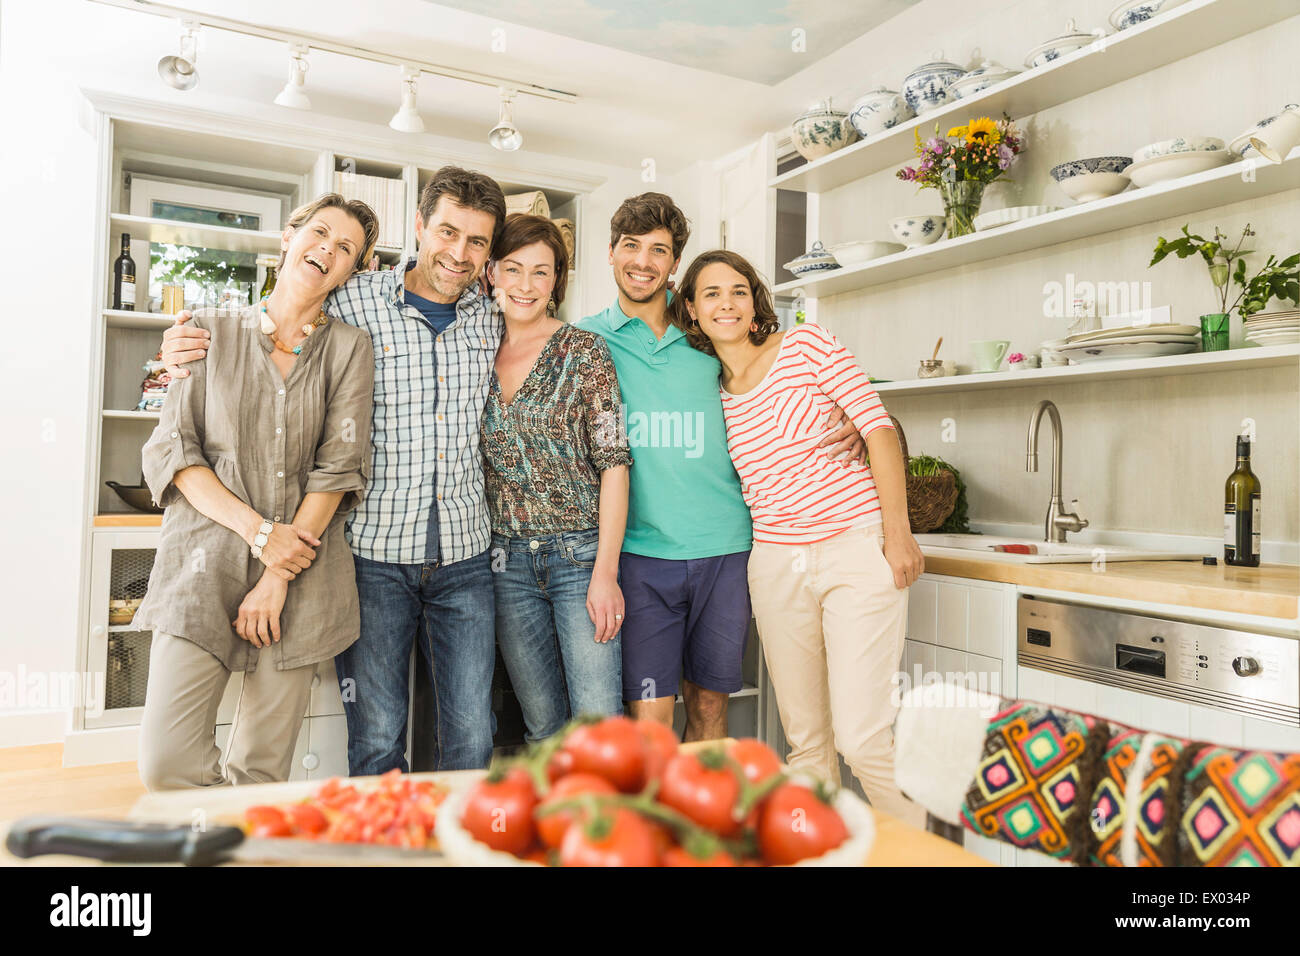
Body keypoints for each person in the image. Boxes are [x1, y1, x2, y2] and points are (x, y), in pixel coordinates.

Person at [161, 167, 508, 774]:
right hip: (373, 555)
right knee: (376, 736)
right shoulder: (354, 298)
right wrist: (175, 350)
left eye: (478, 241)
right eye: (448, 232)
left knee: (473, 732)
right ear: (420, 227)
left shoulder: (495, 313)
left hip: (466, 555)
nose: (459, 253)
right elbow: (277, 310)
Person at [579, 194, 867, 741]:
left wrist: (874, 424)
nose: (643, 261)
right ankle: (654, 828)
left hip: (729, 552)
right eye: (631, 247)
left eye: (659, 250)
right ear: (610, 252)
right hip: (642, 559)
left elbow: (816, 388)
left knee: (710, 711)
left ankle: (698, 826)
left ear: (674, 264)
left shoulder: (711, 336)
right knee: (650, 723)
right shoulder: (587, 340)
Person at [670, 248, 927, 826]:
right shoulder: (706, 388)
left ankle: (925, 855)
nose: (726, 303)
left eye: (737, 290)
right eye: (710, 294)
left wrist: (899, 531)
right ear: (692, 309)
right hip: (775, 564)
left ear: (755, 299)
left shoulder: (808, 346)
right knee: (807, 745)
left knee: (862, 738)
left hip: (855, 550)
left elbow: (878, 429)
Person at [134, 193, 378, 789]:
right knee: (167, 768)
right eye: (319, 233)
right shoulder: (205, 331)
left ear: (353, 271)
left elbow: (338, 468)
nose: (328, 249)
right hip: (202, 565)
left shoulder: (349, 349)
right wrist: (259, 533)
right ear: (287, 241)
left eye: (346, 247)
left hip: (300, 578)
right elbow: (175, 452)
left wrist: (275, 573)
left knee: (261, 771)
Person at [481, 214, 630, 739]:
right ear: (491, 272)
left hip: (580, 558)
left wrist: (606, 573)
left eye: (540, 272)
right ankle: (558, 824)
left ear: (556, 281)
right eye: (513, 269)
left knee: (598, 725)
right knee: (542, 725)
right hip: (505, 564)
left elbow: (614, 463)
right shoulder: (473, 349)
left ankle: (606, 824)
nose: (525, 285)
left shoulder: (585, 351)